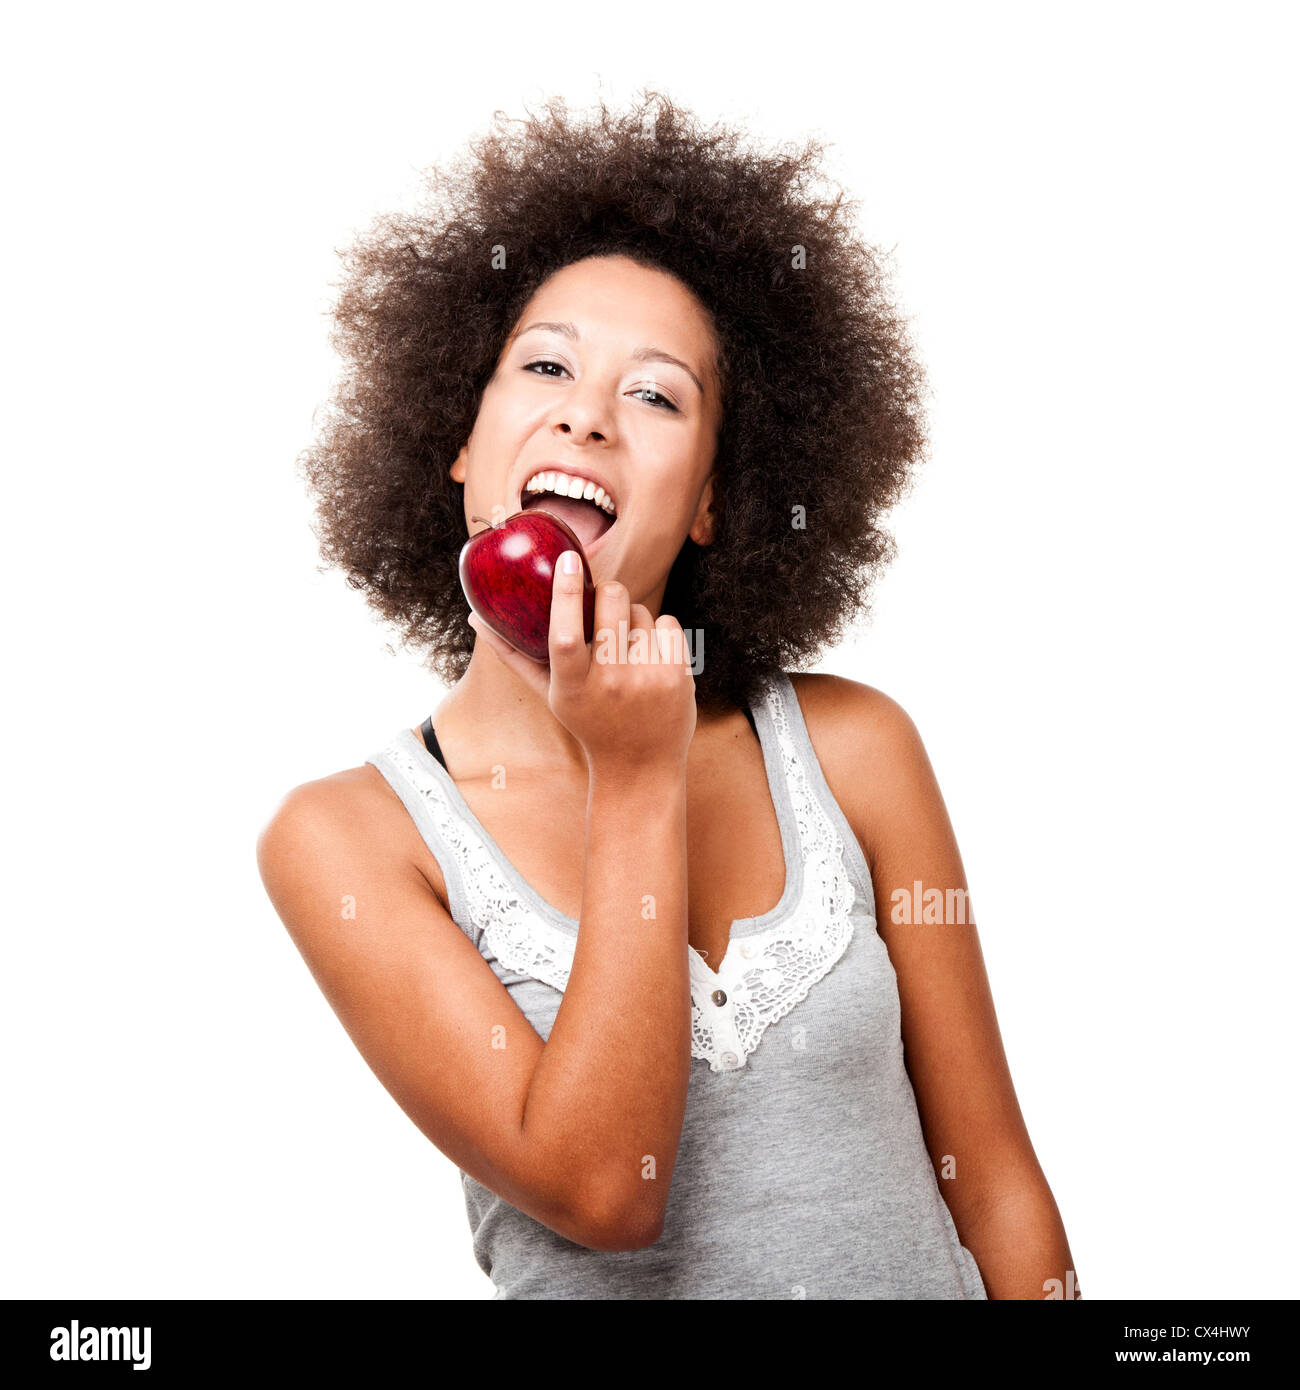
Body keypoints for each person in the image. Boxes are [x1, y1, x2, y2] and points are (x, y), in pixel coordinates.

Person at [257, 92, 1077, 1299]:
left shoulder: (854, 748)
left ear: (707, 503)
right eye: (543, 366)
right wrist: (636, 779)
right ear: (459, 442)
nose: (586, 411)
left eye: (655, 395)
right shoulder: (350, 838)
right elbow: (605, 1188)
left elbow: (998, 1185)